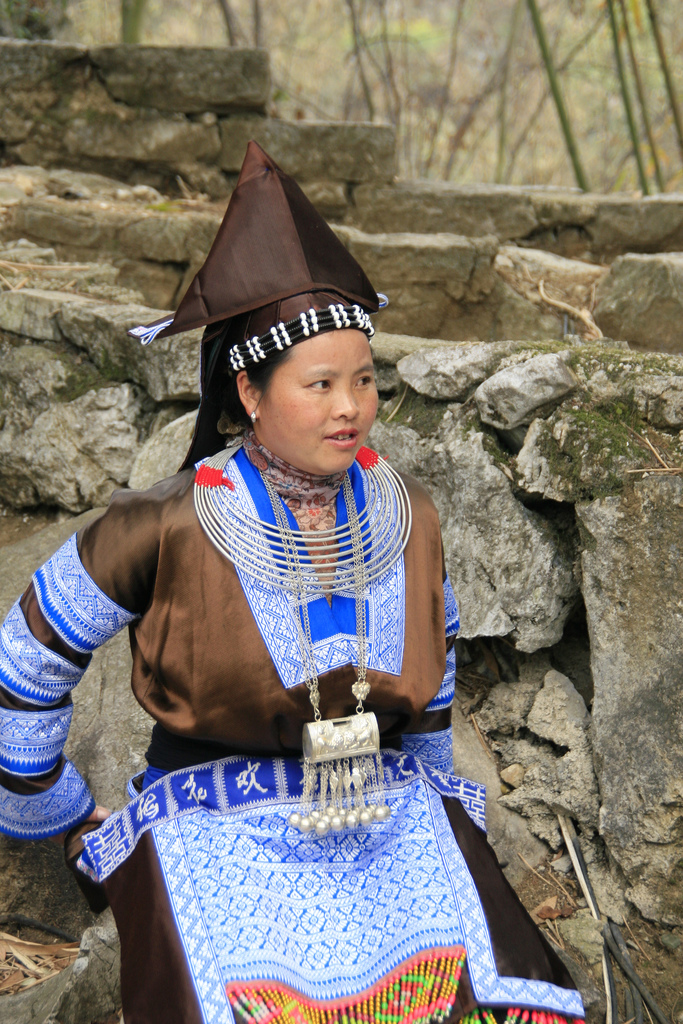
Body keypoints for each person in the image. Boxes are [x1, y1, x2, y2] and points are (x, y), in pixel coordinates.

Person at [0, 143, 584, 1024]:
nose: (351, 406)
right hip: (207, 827)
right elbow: (27, 657)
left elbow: (433, 686)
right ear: (249, 391)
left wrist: (447, 819)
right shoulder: (162, 524)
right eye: (320, 384)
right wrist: (61, 813)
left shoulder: (407, 517)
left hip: (384, 815)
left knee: (509, 998)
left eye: (365, 380)